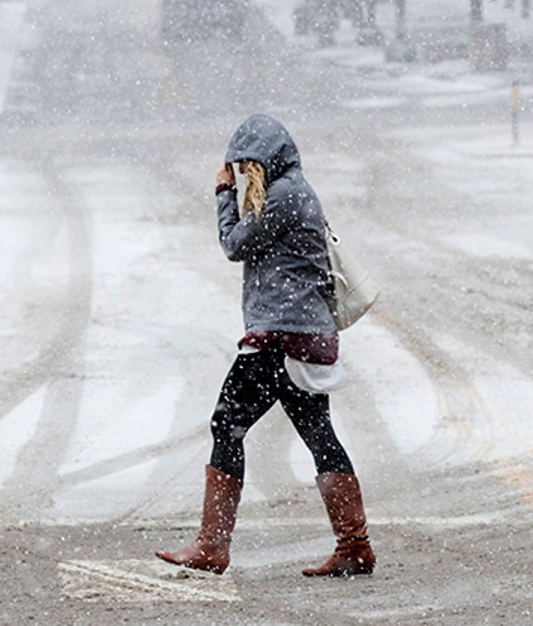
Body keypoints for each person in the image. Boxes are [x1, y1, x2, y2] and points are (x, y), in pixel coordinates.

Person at [156, 114, 374, 578]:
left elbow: (234, 244)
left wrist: (223, 195)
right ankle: (354, 546)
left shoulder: (285, 196)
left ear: (267, 160)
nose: (244, 172)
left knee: (227, 424)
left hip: (279, 336)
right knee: (319, 436)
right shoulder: (294, 190)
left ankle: (212, 544)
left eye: (248, 164)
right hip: (301, 335)